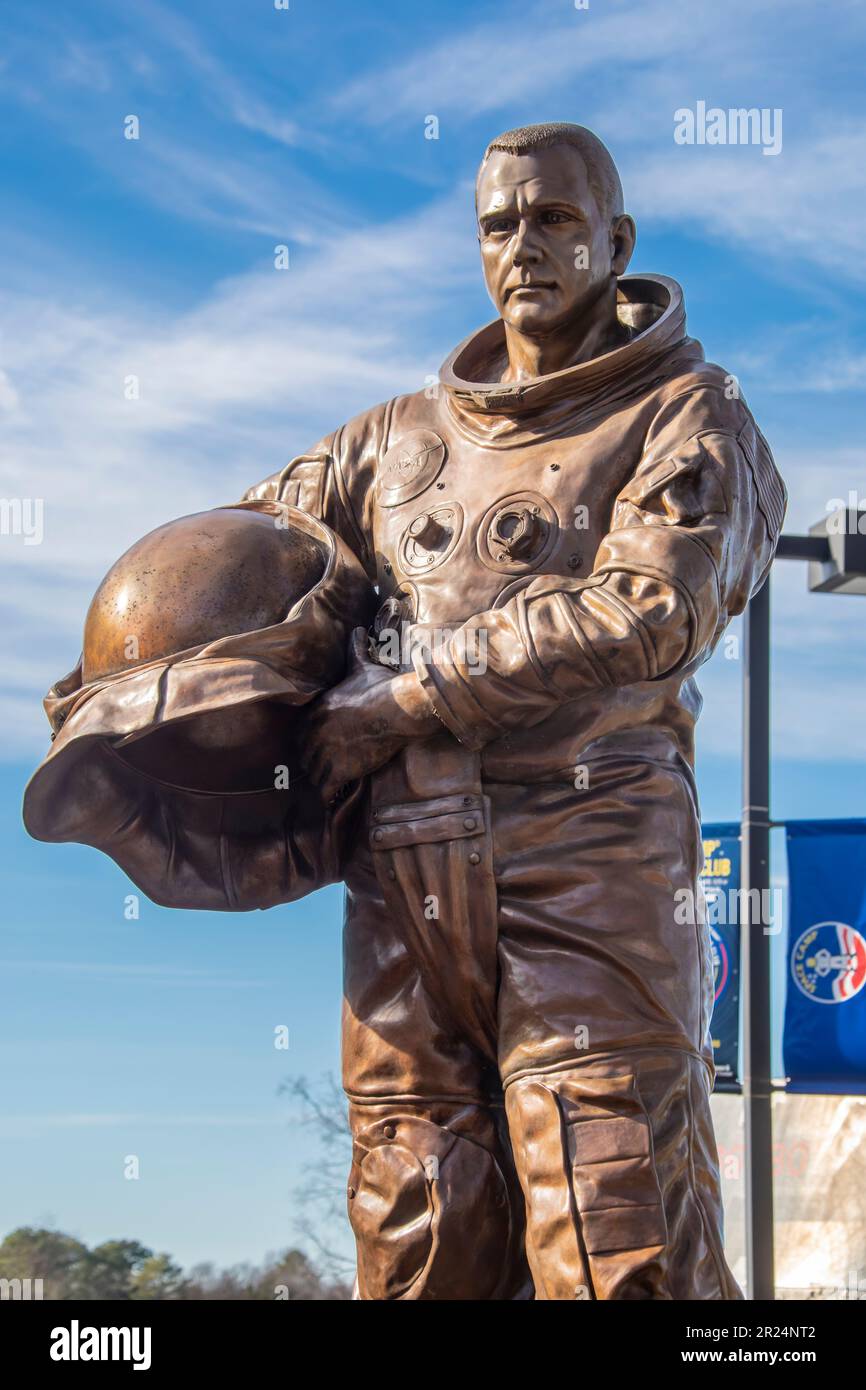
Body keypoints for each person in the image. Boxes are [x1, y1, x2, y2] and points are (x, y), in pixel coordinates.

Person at [242, 122, 786, 1300]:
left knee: (612, 1234)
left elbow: (644, 609)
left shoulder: (688, 413)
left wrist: (406, 699)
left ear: (613, 238)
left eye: (551, 218)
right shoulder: (391, 444)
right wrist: (136, 681)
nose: (522, 245)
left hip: (589, 873)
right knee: (416, 1231)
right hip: (401, 884)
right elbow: (240, 565)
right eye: (498, 223)